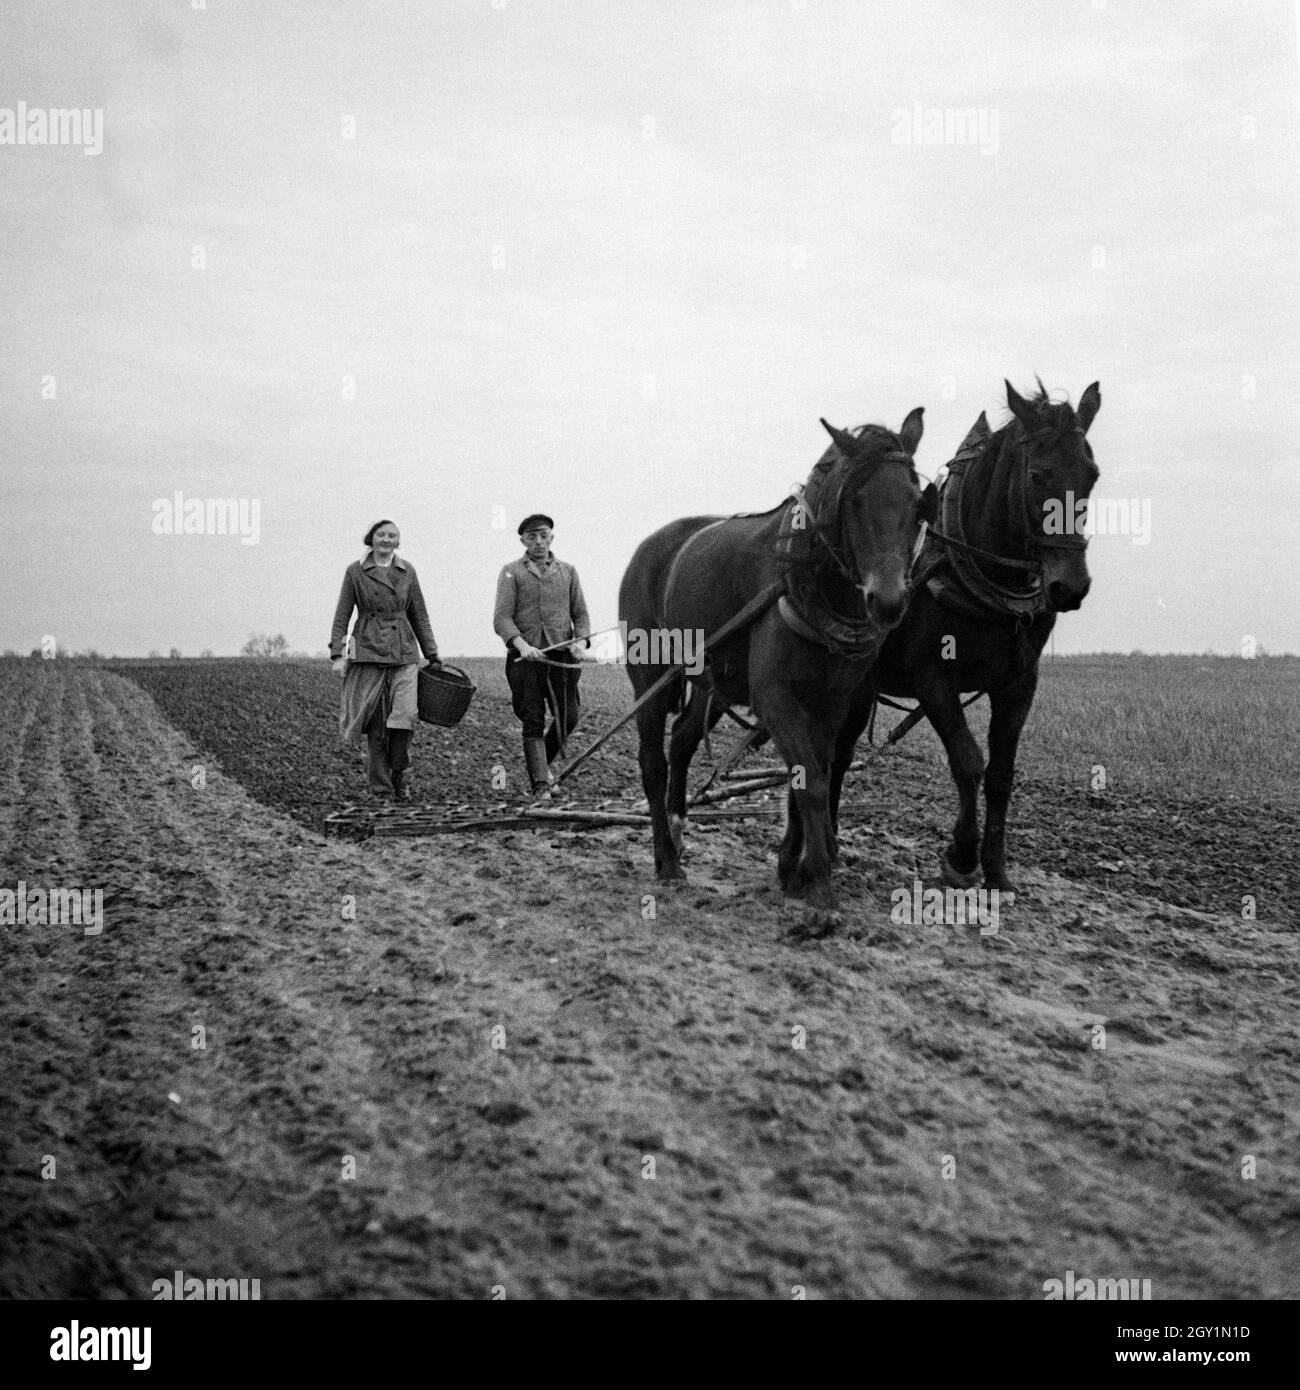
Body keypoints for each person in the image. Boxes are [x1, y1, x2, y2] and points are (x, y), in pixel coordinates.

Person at [329, 519, 440, 801]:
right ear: (371, 538)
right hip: (367, 651)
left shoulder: (407, 571)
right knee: (377, 727)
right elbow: (342, 614)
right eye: (381, 534)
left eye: (392, 535)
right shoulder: (355, 571)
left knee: (404, 717)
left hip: (403, 652)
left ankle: (399, 773)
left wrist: (432, 653)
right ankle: (381, 789)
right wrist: (338, 654)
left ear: (397, 541)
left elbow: (419, 614)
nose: (386, 540)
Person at [493, 513, 590, 798]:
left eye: (543, 535)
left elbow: (581, 614)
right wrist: (522, 646)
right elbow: (502, 619)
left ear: (551, 538)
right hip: (526, 659)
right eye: (532, 537)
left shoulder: (568, 571)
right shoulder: (512, 572)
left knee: (568, 717)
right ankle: (540, 785)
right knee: (533, 719)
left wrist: (580, 643)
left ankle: (542, 768)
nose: (538, 542)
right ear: (523, 540)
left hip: (561, 659)